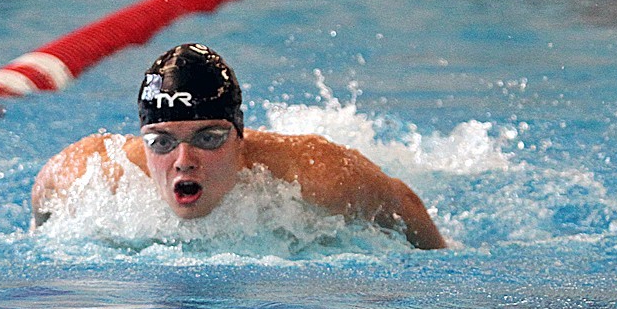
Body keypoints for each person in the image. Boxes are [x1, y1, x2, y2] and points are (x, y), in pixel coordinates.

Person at [31, 43, 446, 249]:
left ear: (239, 136)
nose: (183, 161)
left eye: (208, 138)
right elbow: (42, 201)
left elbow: (405, 205)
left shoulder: (318, 178)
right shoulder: (95, 175)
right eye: (162, 142)